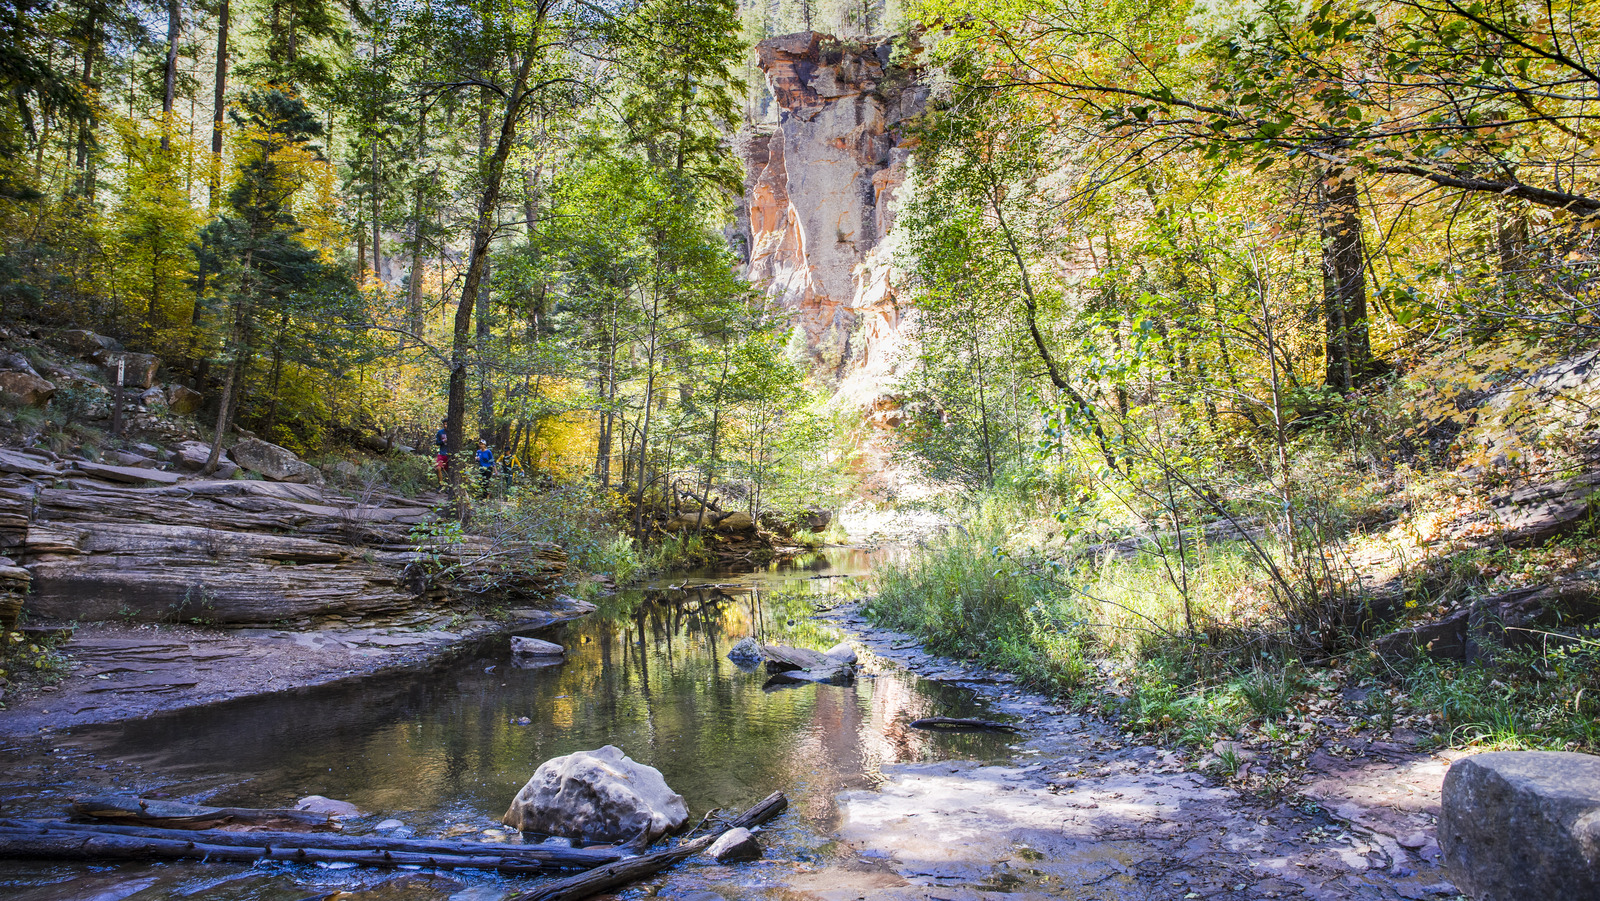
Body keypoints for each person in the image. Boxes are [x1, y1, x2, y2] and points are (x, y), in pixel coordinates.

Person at [433, 419, 449, 486]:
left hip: (450, 454)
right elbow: (437, 443)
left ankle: (448, 486)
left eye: (447, 424)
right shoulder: (440, 432)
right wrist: (443, 441)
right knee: (438, 468)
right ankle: (441, 484)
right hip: (442, 453)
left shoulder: (453, 432)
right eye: (444, 424)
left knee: (449, 471)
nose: (445, 426)